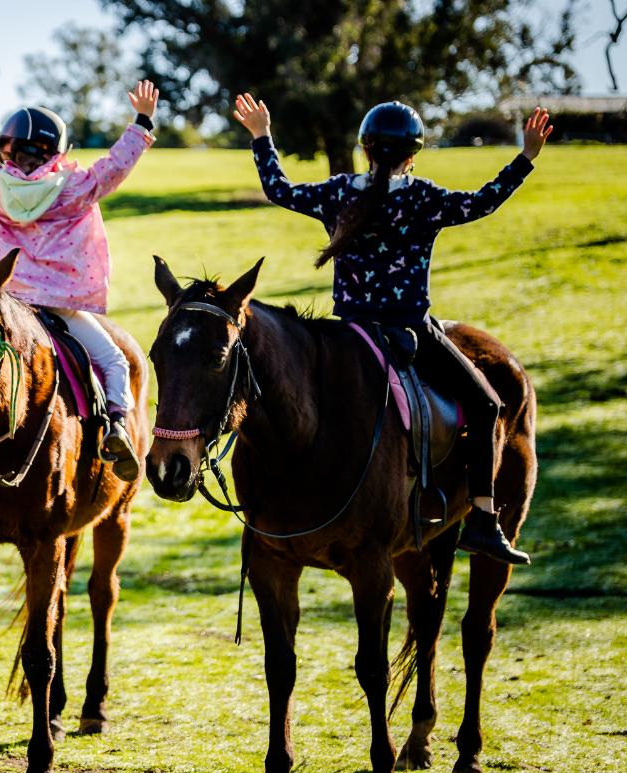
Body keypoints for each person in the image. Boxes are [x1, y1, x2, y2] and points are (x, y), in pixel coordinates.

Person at [233, 93, 554, 566]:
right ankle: (484, 522)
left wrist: (263, 137)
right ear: (413, 154)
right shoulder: (423, 197)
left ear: (365, 149)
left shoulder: (341, 192)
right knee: (487, 405)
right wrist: (525, 157)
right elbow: (483, 202)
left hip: (349, 336)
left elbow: (280, 189)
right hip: (411, 333)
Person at [0, 74, 160, 482]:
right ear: (57, 153)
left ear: (6, 149)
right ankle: (118, 426)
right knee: (113, 360)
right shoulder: (74, 187)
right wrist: (141, 122)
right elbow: (114, 168)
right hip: (57, 306)